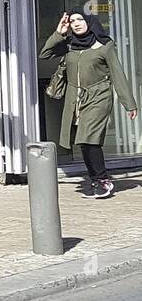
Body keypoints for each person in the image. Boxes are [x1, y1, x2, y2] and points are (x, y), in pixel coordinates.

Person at [41, 11, 138, 198]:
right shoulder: (69, 45)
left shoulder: (104, 46)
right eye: (72, 21)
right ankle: (96, 180)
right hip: (75, 100)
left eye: (80, 19)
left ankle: (103, 180)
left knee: (90, 138)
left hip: (99, 97)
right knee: (83, 142)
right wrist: (59, 32)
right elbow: (45, 54)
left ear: (89, 21)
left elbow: (118, 74)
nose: (76, 24)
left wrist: (129, 104)